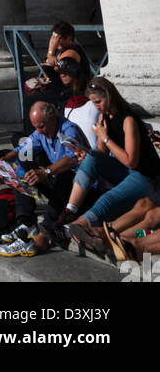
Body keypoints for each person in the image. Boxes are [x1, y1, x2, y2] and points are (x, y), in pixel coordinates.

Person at [54, 77, 160, 251]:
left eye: (98, 102)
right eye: (93, 103)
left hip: (145, 175)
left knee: (109, 199)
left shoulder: (128, 120)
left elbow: (131, 162)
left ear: (109, 96)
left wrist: (105, 137)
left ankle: (82, 225)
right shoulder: (104, 116)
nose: (97, 106)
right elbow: (101, 151)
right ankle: (70, 212)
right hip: (126, 171)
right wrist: (89, 149)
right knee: (91, 158)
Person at [0, 100, 91, 257]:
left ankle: (41, 236)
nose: (38, 131)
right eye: (36, 127)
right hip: (58, 182)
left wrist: (46, 171)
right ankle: (25, 223)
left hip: (79, 190)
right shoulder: (41, 133)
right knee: (20, 164)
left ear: (52, 118)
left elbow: (72, 158)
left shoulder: (68, 130)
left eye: (41, 126)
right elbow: (23, 149)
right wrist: (4, 162)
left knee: (65, 175)